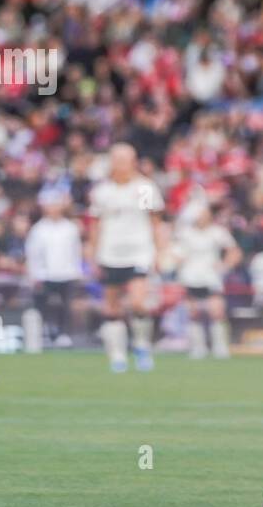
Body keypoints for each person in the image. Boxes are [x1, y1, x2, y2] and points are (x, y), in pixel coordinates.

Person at [88, 143, 167, 372]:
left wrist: (159, 251)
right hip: (110, 253)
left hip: (138, 252)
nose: (121, 165)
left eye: (125, 160)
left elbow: (154, 222)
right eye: (117, 160)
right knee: (111, 306)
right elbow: (95, 225)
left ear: (133, 162)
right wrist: (92, 254)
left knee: (137, 302)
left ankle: (142, 345)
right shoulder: (103, 191)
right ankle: (117, 355)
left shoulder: (143, 189)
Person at [174, 203, 240, 359]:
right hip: (191, 276)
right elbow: (177, 254)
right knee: (194, 312)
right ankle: (198, 347)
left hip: (210, 277)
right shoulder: (185, 234)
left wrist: (225, 265)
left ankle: (220, 346)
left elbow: (234, 251)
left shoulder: (217, 232)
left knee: (216, 311)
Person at [25, 189, 83, 348]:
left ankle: (64, 334)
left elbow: (75, 251)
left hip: (66, 273)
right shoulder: (38, 229)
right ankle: (42, 333)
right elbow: (33, 254)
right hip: (45, 274)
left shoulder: (70, 228)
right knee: (42, 305)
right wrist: (34, 275)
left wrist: (77, 271)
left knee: (65, 305)